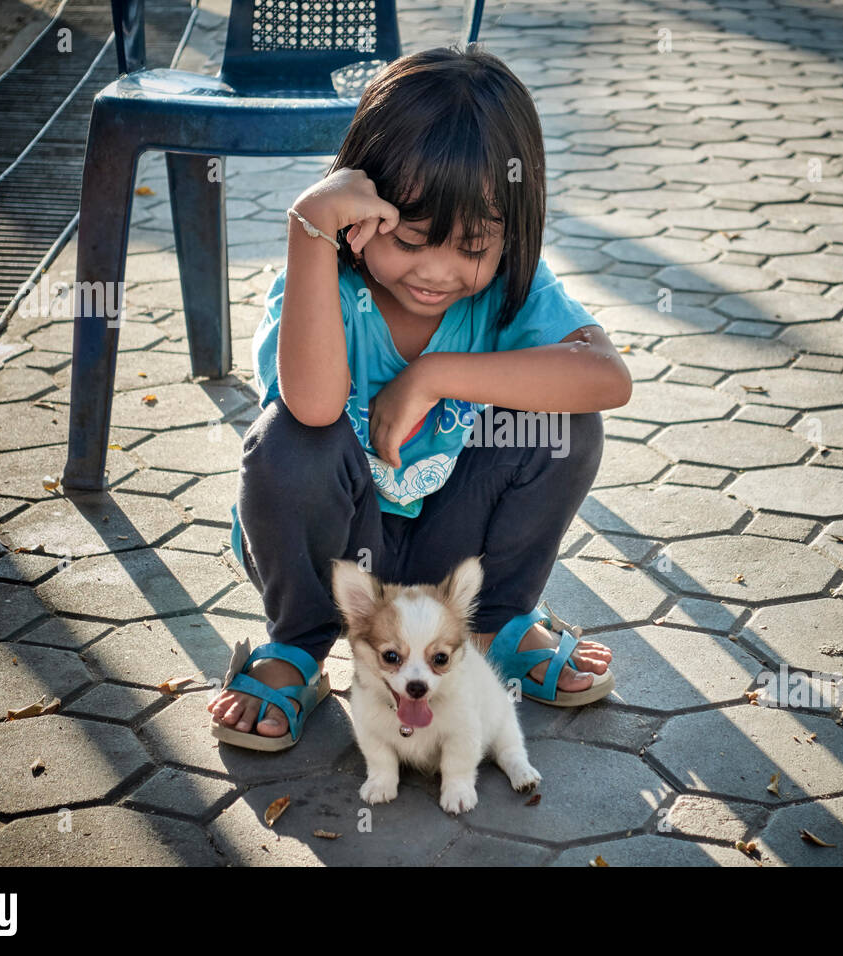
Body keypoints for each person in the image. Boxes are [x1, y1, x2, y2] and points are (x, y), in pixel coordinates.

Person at [208, 43, 632, 750]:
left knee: (565, 427)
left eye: (472, 246)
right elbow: (312, 409)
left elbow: (606, 378)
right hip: (339, 559)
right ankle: (298, 648)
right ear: (361, 209)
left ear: (509, 231)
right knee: (287, 440)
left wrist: (434, 375)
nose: (437, 271)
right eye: (409, 238)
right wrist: (308, 225)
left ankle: (491, 625)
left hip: (448, 554)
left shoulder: (506, 287)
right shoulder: (327, 281)